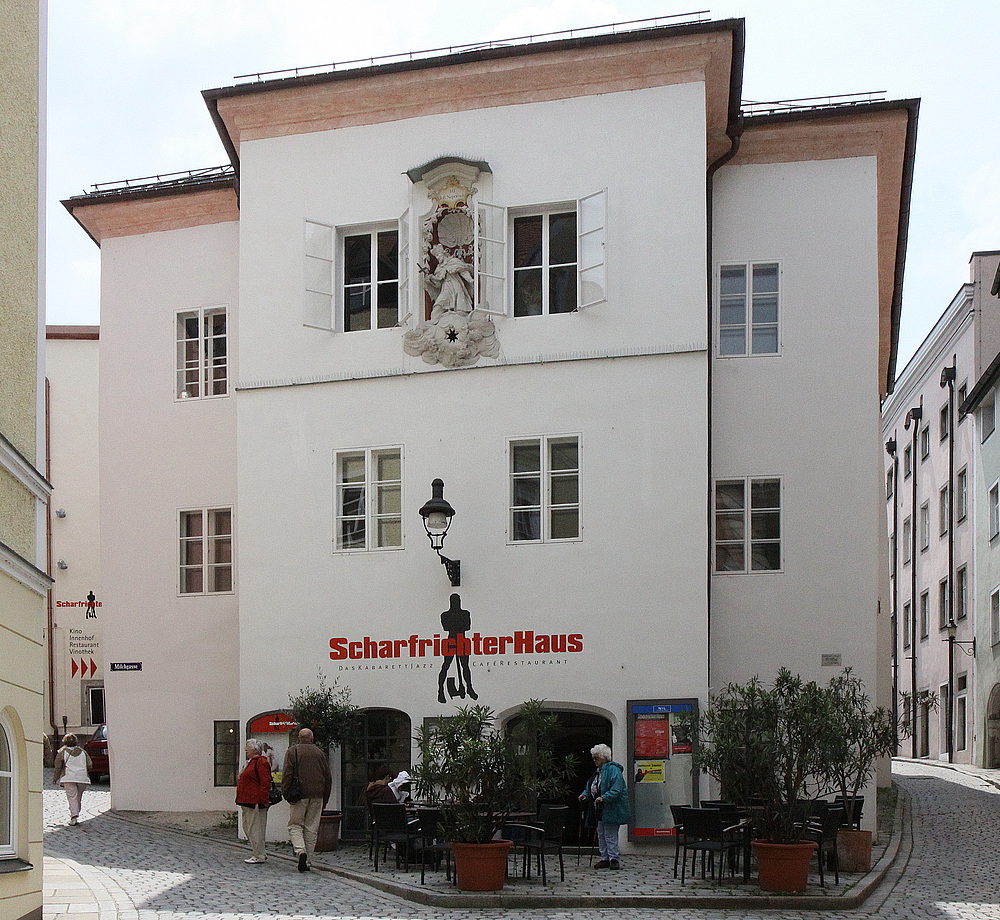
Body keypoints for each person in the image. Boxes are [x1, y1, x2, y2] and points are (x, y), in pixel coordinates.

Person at [281, 727, 332, 872]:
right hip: (317, 795)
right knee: (311, 828)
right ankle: (308, 861)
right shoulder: (320, 753)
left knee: (295, 825)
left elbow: (287, 775)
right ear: (312, 738)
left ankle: (300, 850)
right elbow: (327, 777)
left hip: (299, 795)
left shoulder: (292, 751)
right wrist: (325, 798)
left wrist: (286, 793)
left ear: (299, 738)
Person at [579, 743, 630, 870]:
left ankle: (614, 858)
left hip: (612, 808)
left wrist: (604, 797)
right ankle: (604, 857)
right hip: (601, 808)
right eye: (593, 758)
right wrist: (585, 794)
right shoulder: (598, 772)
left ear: (604, 757)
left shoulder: (613, 770)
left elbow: (617, 789)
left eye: (596, 758)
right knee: (601, 832)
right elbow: (592, 786)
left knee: (610, 833)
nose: (594, 760)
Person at [235, 739, 272, 863]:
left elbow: (265, 781)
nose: (245, 750)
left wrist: (264, 799)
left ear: (255, 749)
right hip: (246, 800)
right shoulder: (250, 762)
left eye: (247, 747)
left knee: (255, 829)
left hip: (255, 800)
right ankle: (259, 852)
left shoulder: (261, 762)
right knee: (248, 827)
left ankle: (259, 855)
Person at [52, 733, 92, 826]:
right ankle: (76, 814)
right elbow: (89, 764)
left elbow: (57, 766)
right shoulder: (83, 752)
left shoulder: (62, 752)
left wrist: (55, 778)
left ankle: (74, 816)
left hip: (69, 777)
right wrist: (85, 771)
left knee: (72, 797)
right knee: (78, 798)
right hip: (82, 778)